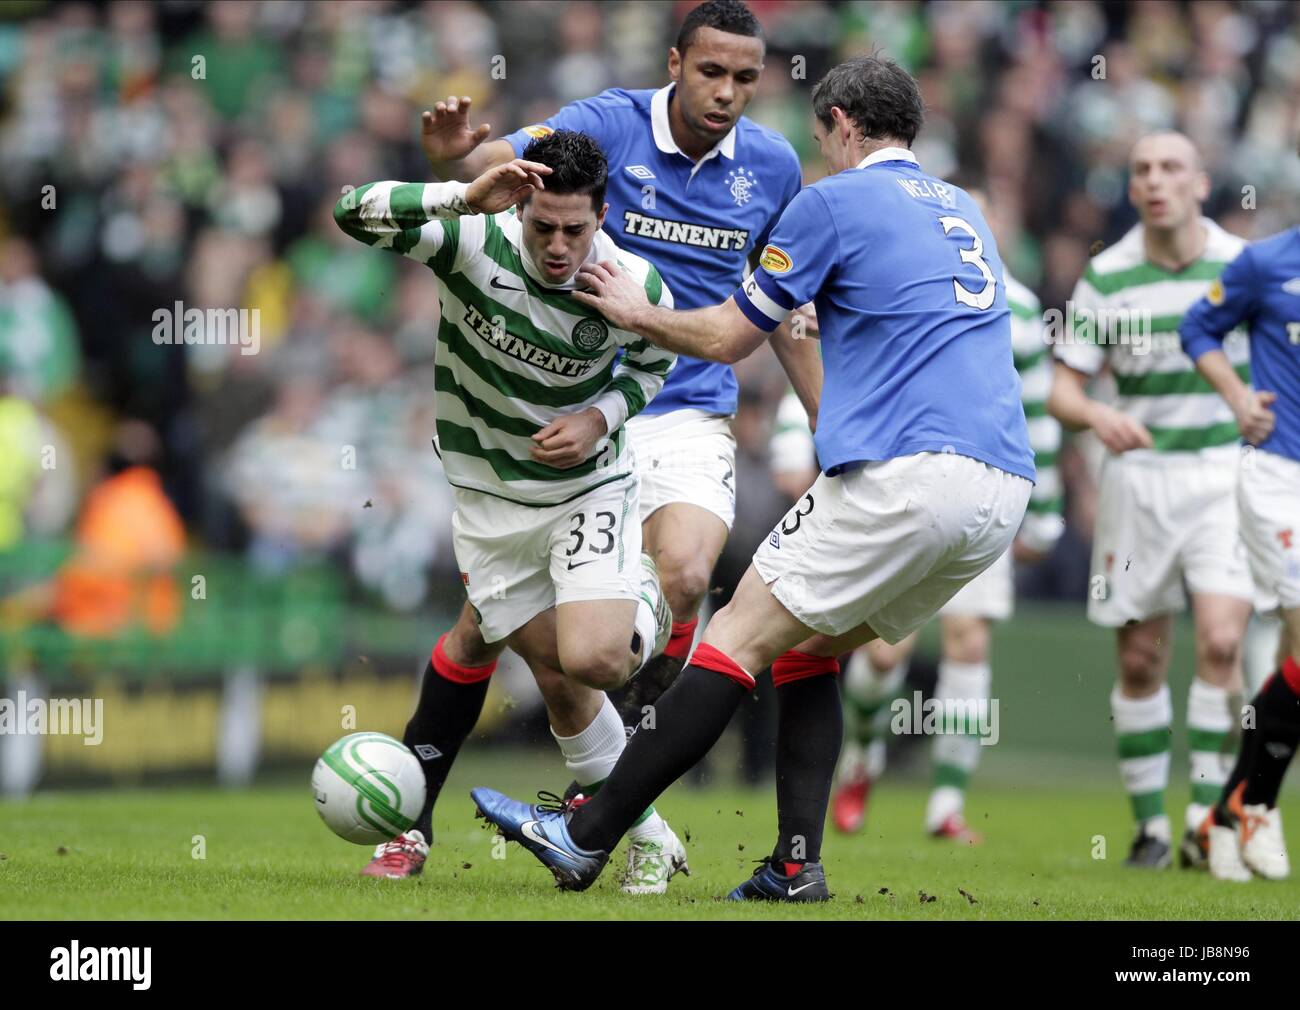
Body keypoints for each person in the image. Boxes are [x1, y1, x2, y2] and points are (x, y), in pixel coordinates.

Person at [471, 54, 1034, 901]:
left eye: (822, 136)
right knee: (807, 648)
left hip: (912, 472)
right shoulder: (961, 209)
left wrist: (636, 312)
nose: (820, 152)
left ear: (842, 123)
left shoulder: (832, 201)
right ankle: (796, 867)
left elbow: (735, 337)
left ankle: (585, 835)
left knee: (733, 638)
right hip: (1001, 490)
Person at [417, 0, 818, 739]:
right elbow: (498, 170)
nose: (726, 91)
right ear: (674, 65)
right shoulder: (606, 123)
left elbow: (780, 304)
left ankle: (632, 737)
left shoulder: (774, 165)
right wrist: (454, 158)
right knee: (496, 629)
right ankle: (571, 769)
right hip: (579, 398)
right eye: (710, 72)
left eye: (744, 77)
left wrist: (830, 422)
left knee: (688, 575)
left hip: (689, 403)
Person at [334, 129, 688, 892]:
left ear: (602, 217)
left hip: (587, 488)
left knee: (594, 658)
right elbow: (350, 211)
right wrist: (460, 193)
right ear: (520, 204)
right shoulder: (471, 240)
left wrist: (601, 418)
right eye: (543, 227)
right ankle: (647, 836)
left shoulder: (632, 283)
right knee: (556, 674)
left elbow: (659, 362)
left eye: (576, 229)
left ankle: (646, 602)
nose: (559, 247)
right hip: (488, 502)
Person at [821, 189, 1064, 841]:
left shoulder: (1020, 312)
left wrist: (1043, 515)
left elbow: (1037, 415)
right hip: (909, 487)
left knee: (969, 640)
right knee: (882, 652)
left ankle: (946, 805)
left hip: (988, 485)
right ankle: (862, 759)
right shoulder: (912, 290)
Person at [1047, 132, 1254, 870]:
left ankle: (1203, 817)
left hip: (1225, 473)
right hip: (1139, 478)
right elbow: (1063, 386)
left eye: (1171, 168)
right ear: (1131, 190)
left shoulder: (1240, 267)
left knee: (1224, 643)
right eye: (1142, 171)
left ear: (1201, 183)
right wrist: (1099, 416)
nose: (1156, 181)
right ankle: (1149, 829)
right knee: (1140, 659)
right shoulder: (1108, 276)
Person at [1179, 224, 1300, 882]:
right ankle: (1256, 805)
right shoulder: (1267, 262)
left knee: (1297, 659)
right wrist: (1236, 396)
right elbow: (1198, 327)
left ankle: (1229, 807)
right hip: (1280, 474)